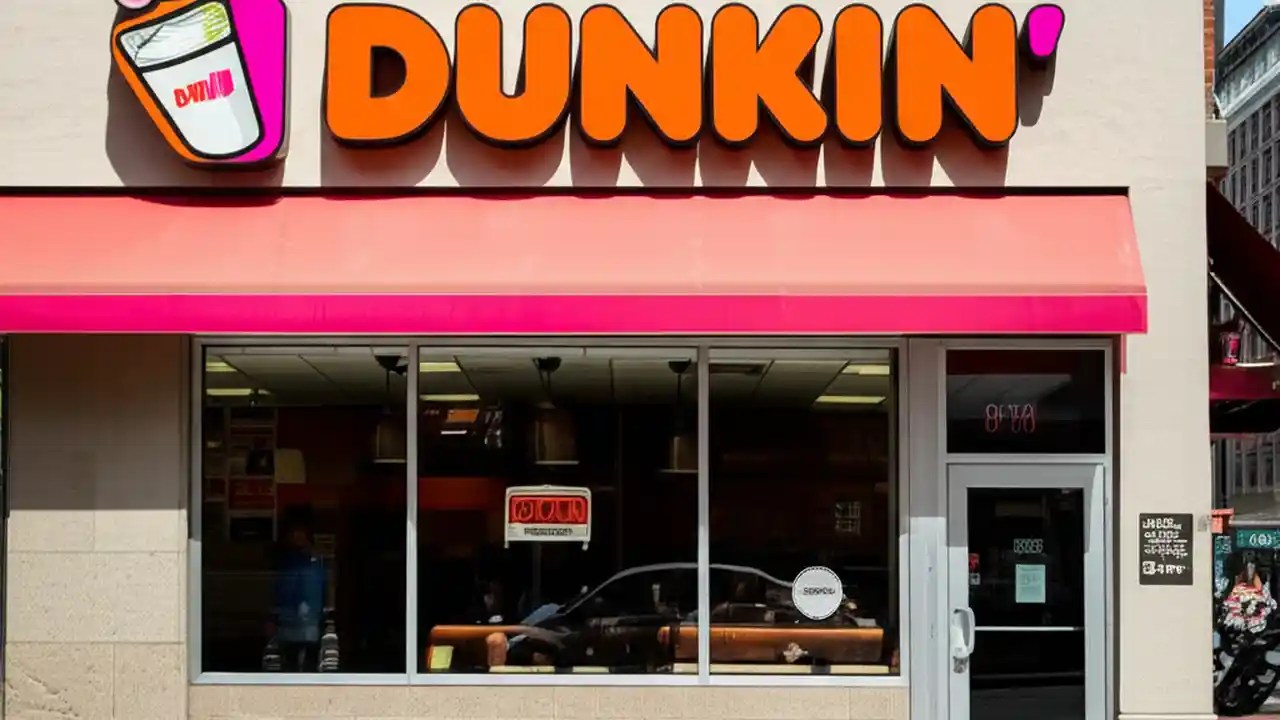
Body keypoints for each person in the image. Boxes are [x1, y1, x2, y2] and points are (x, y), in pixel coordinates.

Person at [267, 513, 327, 672]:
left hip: (310, 619)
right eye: (295, 534)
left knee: (310, 662)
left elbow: (322, 587)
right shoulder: (285, 561)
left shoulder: (315, 559)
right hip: (289, 619)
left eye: (301, 534)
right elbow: (279, 589)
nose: (298, 538)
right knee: (290, 663)